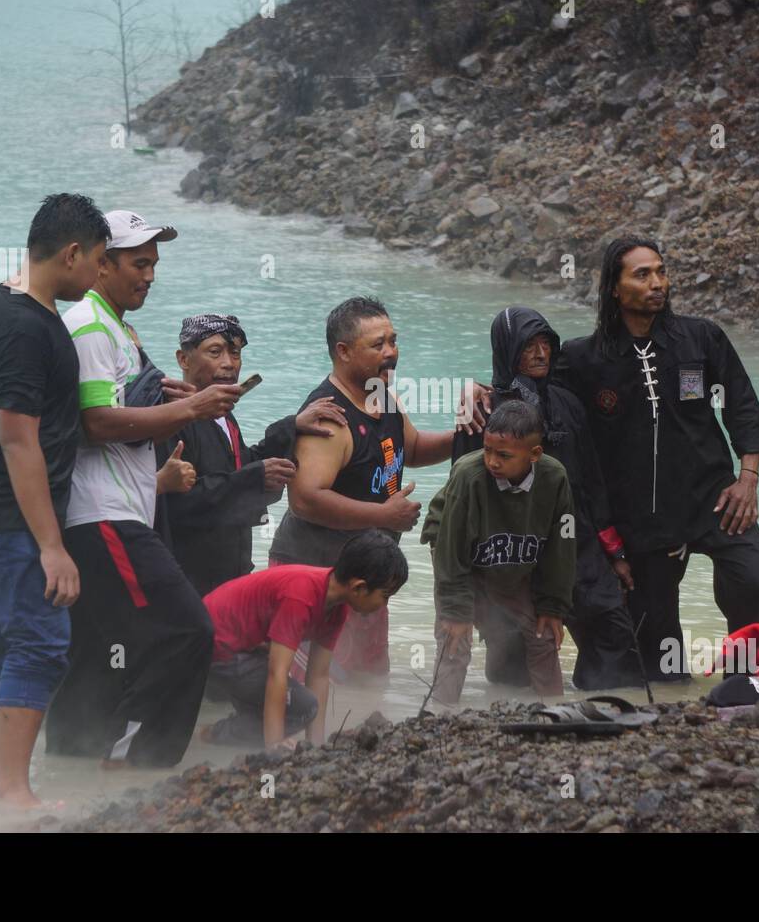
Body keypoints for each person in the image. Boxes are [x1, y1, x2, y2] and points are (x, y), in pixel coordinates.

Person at [44, 209, 242, 768]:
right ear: (101, 264)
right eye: (139, 263)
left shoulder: (119, 329)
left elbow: (120, 407)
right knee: (186, 631)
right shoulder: (88, 326)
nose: (150, 275)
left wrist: (169, 399)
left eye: (154, 265)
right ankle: (140, 768)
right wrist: (192, 406)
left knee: (99, 651)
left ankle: (69, 762)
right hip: (103, 515)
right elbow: (96, 423)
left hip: (121, 511)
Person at [0, 193, 109, 808]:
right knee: (38, 639)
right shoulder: (24, 327)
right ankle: (13, 794)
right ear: (71, 253)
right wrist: (53, 546)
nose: (99, 276)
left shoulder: (14, 304)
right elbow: (16, 439)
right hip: (2, 509)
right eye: (98, 262)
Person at [554, 236, 759, 680]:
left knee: (754, 583)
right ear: (614, 289)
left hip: (715, 499)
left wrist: (748, 478)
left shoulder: (701, 338)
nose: (657, 282)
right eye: (642, 275)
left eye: (661, 271)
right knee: (657, 646)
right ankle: (674, 705)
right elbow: (536, 396)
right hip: (641, 517)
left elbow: (742, 405)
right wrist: (484, 391)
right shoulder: (584, 358)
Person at [267, 296, 463, 677]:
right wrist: (384, 515)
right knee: (316, 686)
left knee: (368, 679)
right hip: (316, 574)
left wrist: (465, 438)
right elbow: (305, 499)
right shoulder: (330, 416)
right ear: (342, 351)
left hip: (370, 572)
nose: (391, 353)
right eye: (378, 345)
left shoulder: (381, 393)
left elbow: (414, 447)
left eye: (393, 340)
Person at [453, 307, 642, 690]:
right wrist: (470, 582)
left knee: (613, 629)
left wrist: (615, 553)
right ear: (507, 351)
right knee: (515, 672)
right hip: (511, 551)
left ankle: (606, 707)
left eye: (546, 345)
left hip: (578, 542)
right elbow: (464, 498)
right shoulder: (481, 411)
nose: (541, 354)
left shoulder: (568, 404)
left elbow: (591, 481)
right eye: (528, 347)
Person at [154, 313, 347, 598]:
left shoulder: (223, 415)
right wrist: (255, 476)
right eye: (215, 352)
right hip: (189, 575)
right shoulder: (174, 416)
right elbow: (179, 503)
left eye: (235, 353)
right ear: (183, 359)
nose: (229, 364)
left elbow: (237, 465)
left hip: (230, 567)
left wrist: (290, 427)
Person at [421, 401, 576, 706]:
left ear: (534, 455)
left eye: (503, 455)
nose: (492, 461)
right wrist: (454, 609)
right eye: (487, 449)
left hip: (513, 564)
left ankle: (553, 710)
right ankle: (440, 711)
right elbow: (451, 548)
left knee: (543, 634)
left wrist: (553, 605)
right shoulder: (469, 475)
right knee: (455, 638)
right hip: (459, 558)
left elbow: (561, 549)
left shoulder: (555, 478)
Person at [201, 530, 409, 750]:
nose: (384, 605)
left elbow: (318, 675)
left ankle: (226, 735)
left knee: (305, 705)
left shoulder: (337, 607)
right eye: (385, 596)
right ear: (359, 587)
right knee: (301, 708)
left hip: (246, 647)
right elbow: (277, 673)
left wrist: (316, 746)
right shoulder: (301, 595)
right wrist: (275, 745)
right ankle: (212, 734)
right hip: (214, 645)